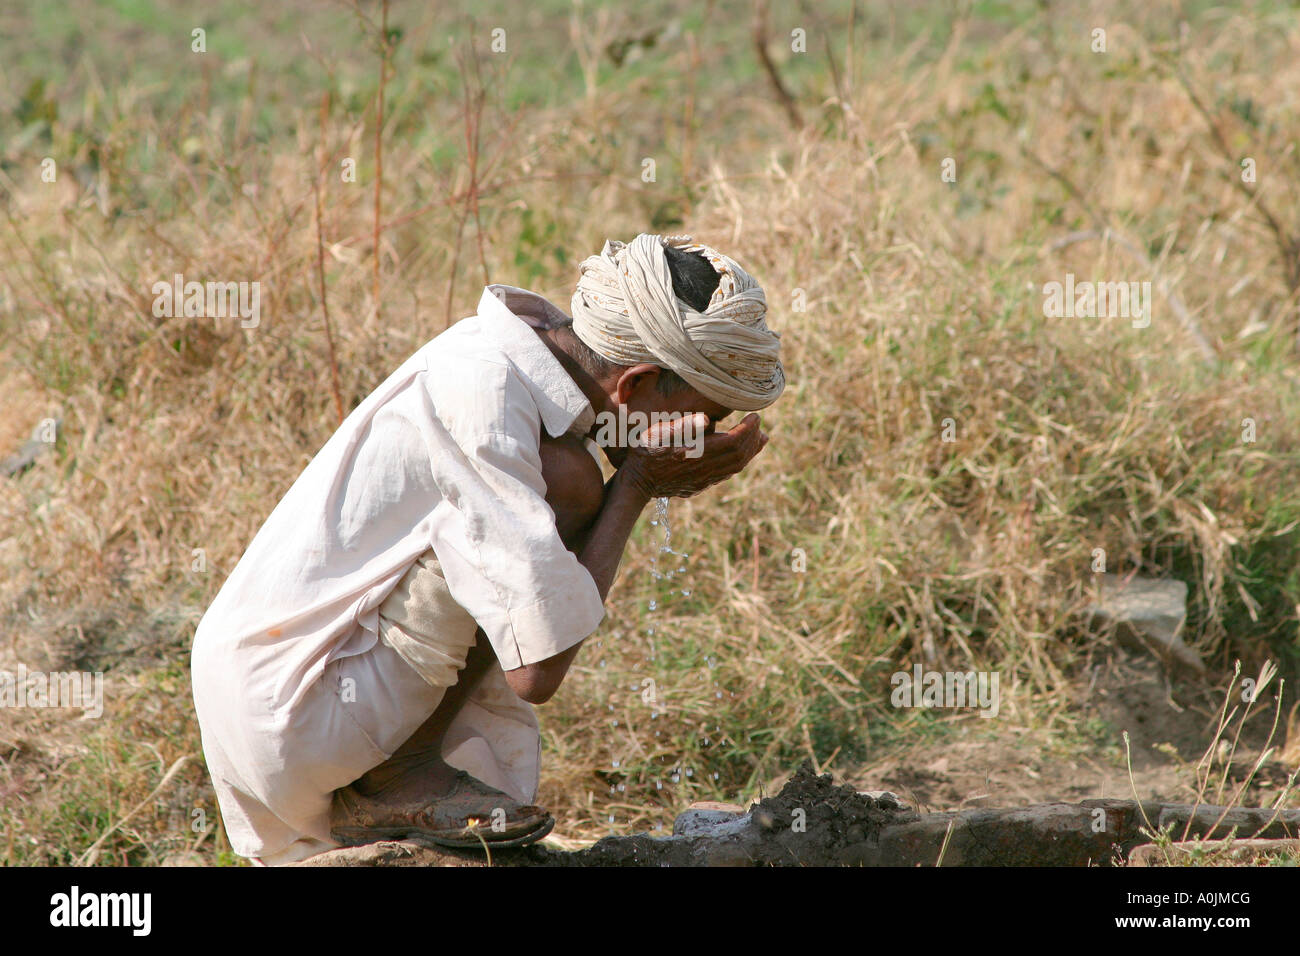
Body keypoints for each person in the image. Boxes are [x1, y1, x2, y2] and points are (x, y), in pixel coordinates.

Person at [190, 233, 786, 865]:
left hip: (290, 689)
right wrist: (636, 485)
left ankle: (400, 773)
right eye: (704, 418)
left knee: (569, 478)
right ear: (634, 384)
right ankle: (395, 780)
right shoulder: (489, 407)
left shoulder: (520, 359)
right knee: (571, 484)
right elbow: (537, 672)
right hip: (293, 707)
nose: (702, 437)